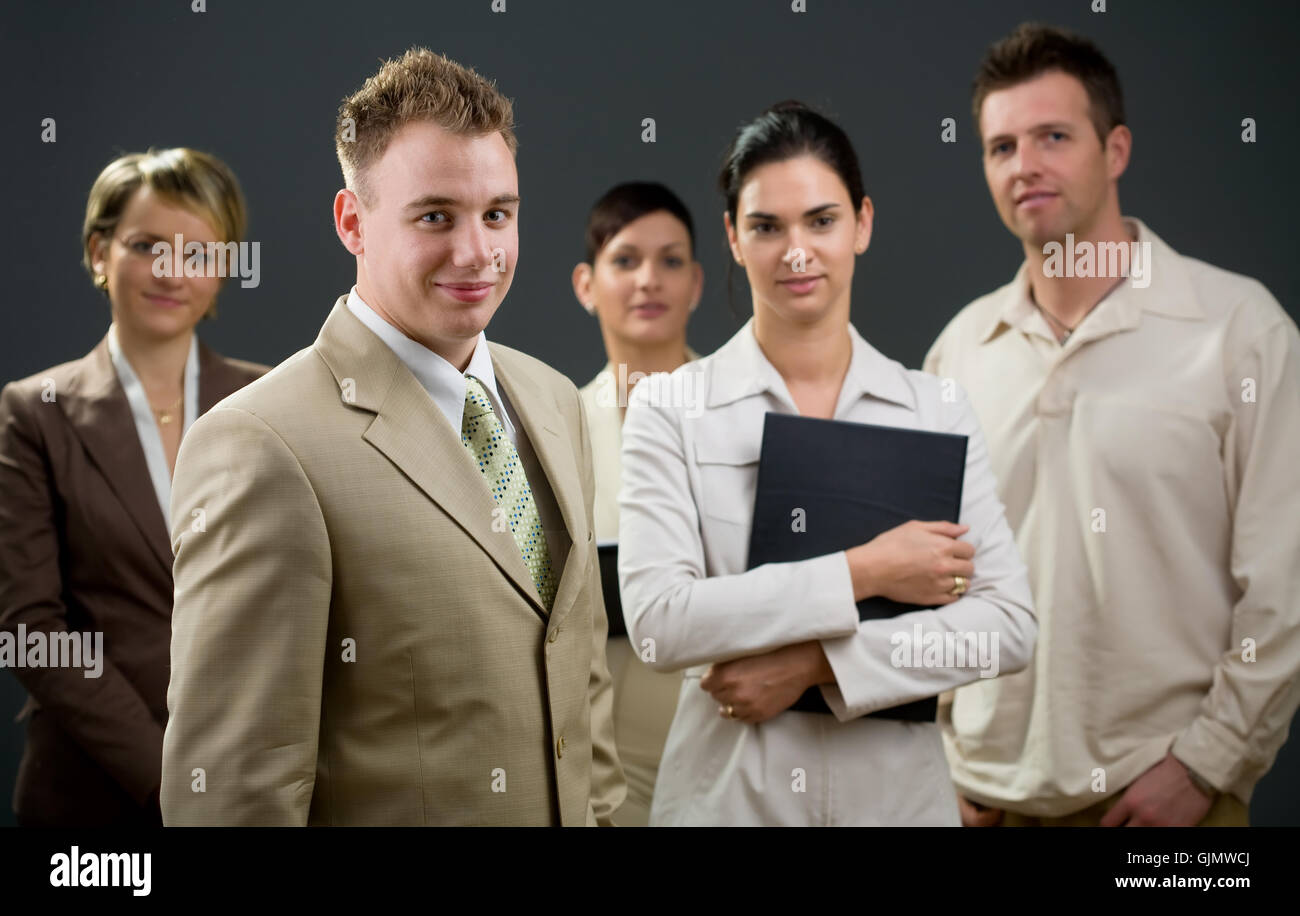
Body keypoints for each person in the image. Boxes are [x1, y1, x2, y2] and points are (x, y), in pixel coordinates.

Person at [160, 48, 625, 825]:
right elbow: (233, 796)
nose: (477, 251)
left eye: (498, 213)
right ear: (353, 222)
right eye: (435, 215)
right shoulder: (261, 446)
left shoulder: (552, 402)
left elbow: (583, 693)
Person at [618, 101, 1037, 825]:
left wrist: (819, 665)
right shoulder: (670, 407)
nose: (797, 251)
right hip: (730, 802)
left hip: (897, 804)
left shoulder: (933, 407)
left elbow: (1006, 625)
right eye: (766, 227)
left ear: (862, 224)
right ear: (732, 237)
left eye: (821, 220)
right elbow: (660, 622)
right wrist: (867, 571)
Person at [925, 23, 1300, 827]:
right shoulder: (959, 353)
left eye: (1053, 136)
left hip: (1170, 805)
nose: (1024, 165)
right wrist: (942, 754)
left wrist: (1208, 766)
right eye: (1000, 147)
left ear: (1116, 149)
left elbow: (1286, 586)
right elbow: (931, 579)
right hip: (983, 803)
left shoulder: (1239, 330)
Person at [0, 148, 269, 826]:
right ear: (100, 251)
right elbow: (30, 628)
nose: (173, 273)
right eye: (148, 245)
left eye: (201, 253)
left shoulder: (269, 399)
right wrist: (166, 777)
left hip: (254, 782)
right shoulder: (34, 411)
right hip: (93, 792)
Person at [570, 182, 703, 825]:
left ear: (697, 283)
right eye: (625, 260)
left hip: (728, 746)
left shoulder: (749, 418)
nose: (649, 279)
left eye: (671, 260)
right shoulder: (551, 430)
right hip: (603, 768)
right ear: (586, 284)